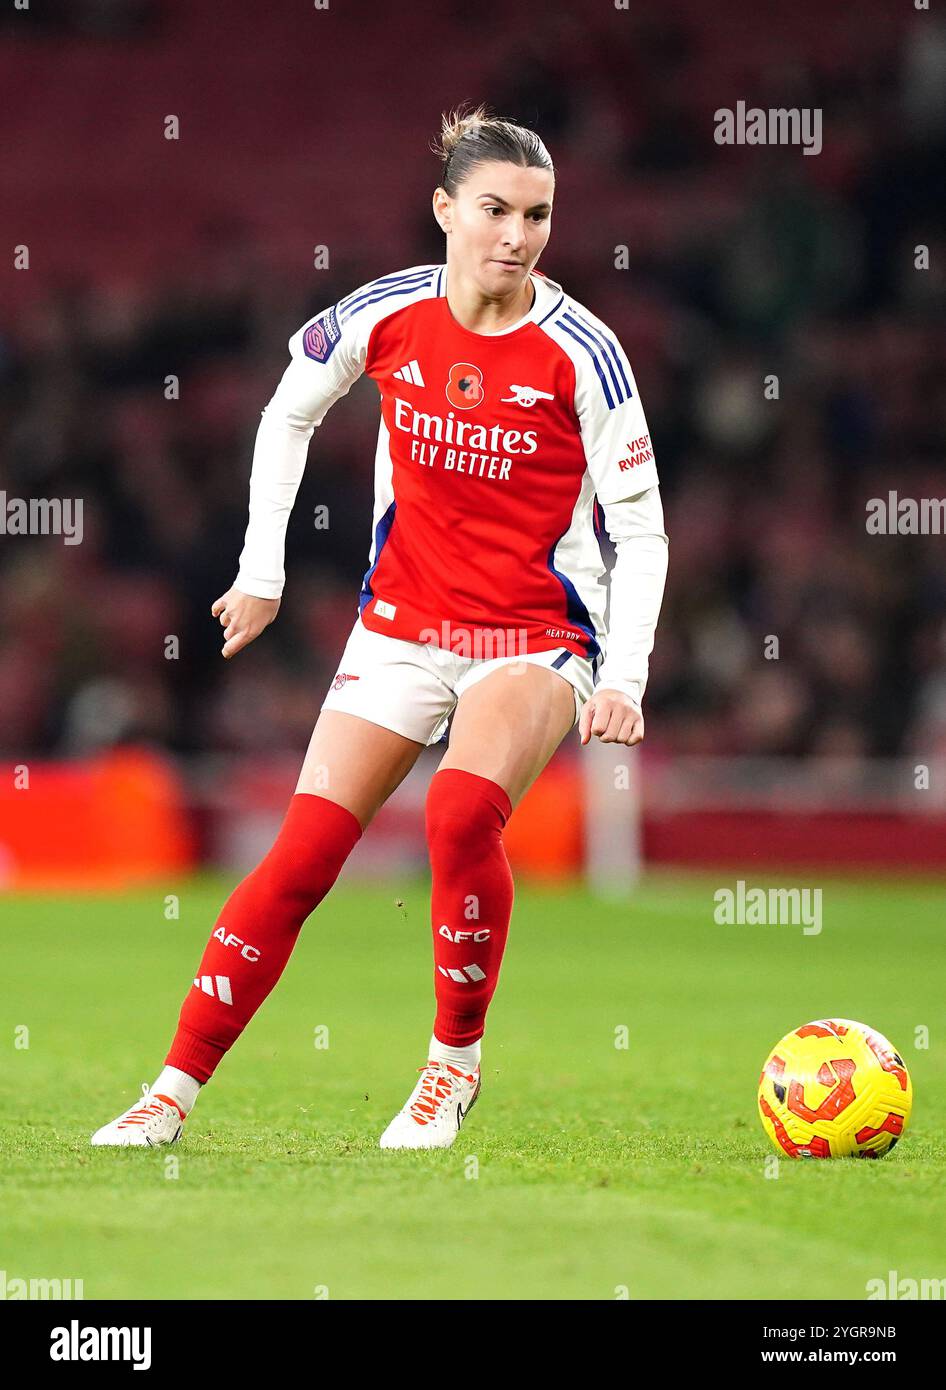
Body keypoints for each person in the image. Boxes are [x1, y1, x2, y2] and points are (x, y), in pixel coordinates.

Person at [91, 105, 669, 1151]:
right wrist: (260, 570)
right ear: (444, 208)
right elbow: (286, 410)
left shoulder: (583, 352)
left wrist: (622, 674)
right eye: (494, 209)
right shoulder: (386, 312)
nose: (516, 235)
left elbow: (642, 528)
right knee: (301, 857)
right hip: (400, 629)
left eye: (536, 215)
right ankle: (168, 1091)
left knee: (457, 815)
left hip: (533, 633)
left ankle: (451, 1066)